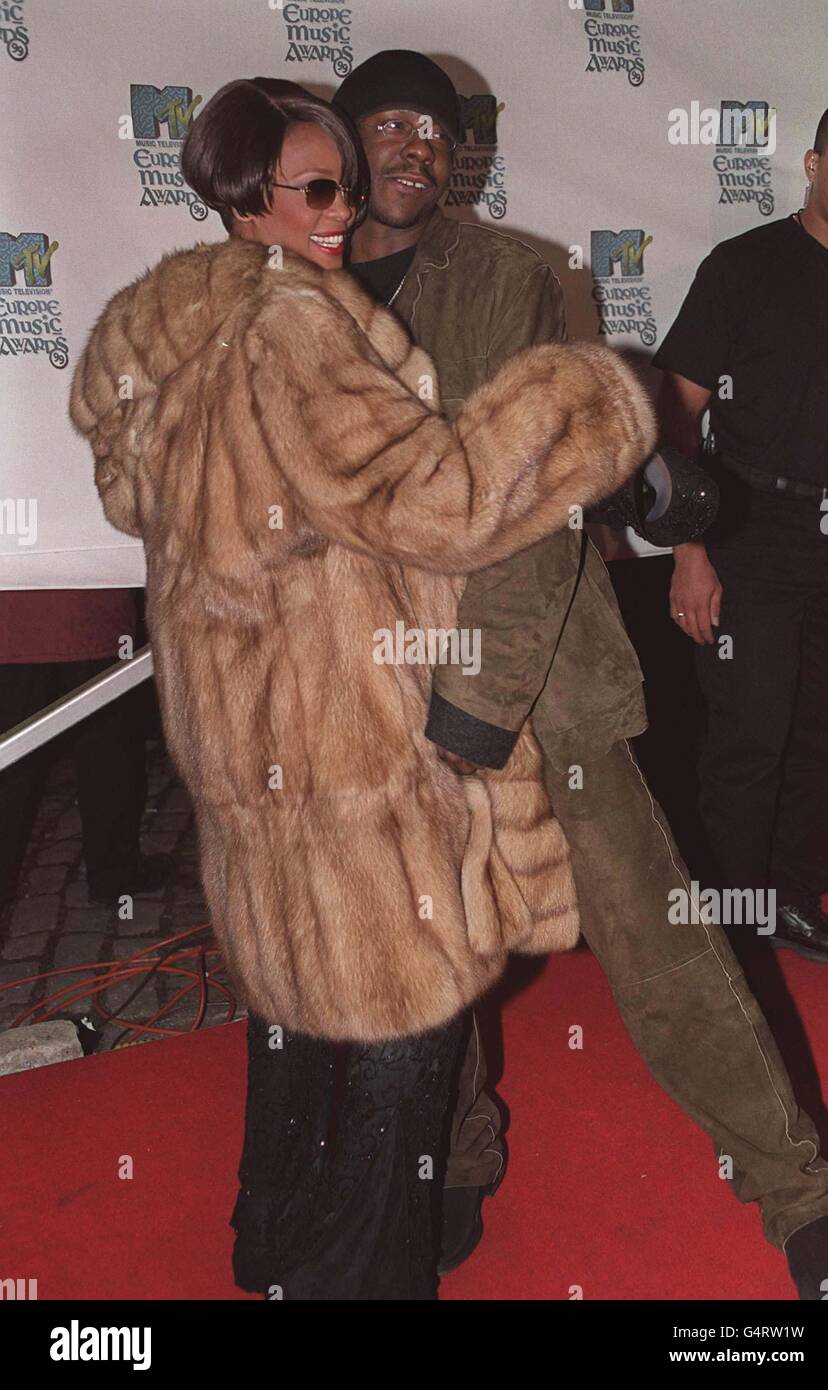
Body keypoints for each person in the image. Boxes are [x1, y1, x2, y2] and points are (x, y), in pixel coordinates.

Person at [69, 75, 655, 1299]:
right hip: (349, 744)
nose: (342, 211)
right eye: (315, 187)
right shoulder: (290, 328)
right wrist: (587, 402)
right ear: (246, 197)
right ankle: (358, 1277)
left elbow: (143, 497)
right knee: (401, 1019)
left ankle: (271, 1240)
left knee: (294, 1003)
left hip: (247, 746)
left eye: (343, 179)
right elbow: (433, 501)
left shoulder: (158, 331)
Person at [335, 50, 828, 1298]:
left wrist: (475, 699)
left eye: (434, 130)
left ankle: (797, 1191)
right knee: (427, 935)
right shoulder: (295, 298)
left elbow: (535, 504)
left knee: (659, 937)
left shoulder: (514, 278)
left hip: (539, 669)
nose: (413, 147)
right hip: (372, 677)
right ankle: (456, 1152)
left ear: (459, 156)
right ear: (344, 146)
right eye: (385, 126)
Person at [655, 95, 828, 967]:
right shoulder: (745, 267)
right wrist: (689, 548)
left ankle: (797, 900)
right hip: (750, 533)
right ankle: (732, 931)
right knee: (751, 737)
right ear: (812, 166)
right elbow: (672, 418)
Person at [0, 587, 170, 909]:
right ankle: (114, 872)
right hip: (88, 615)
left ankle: (114, 870)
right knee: (108, 750)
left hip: (14, 618)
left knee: (13, 764)